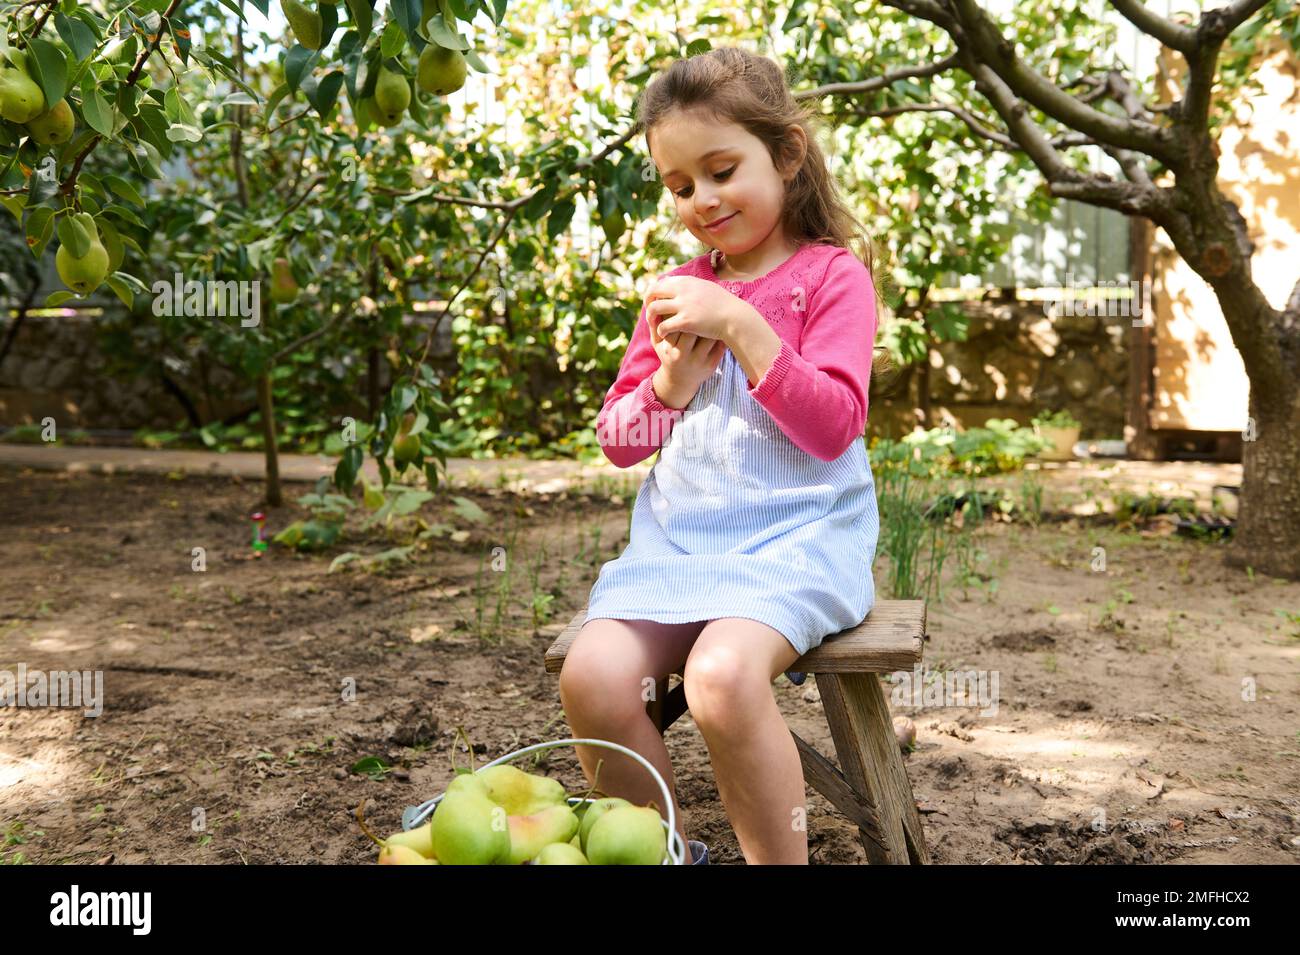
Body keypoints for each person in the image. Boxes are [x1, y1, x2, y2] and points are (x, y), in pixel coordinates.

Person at [558, 46, 890, 865]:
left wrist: (744, 326)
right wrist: (669, 383)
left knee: (721, 678)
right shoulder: (674, 293)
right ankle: (658, 853)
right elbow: (618, 444)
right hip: (679, 546)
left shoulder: (834, 278)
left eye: (720, 170)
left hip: (799, 541)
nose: (701, 200)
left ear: (786, 154)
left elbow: (834, 426)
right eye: (679, 186)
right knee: (593, 678)